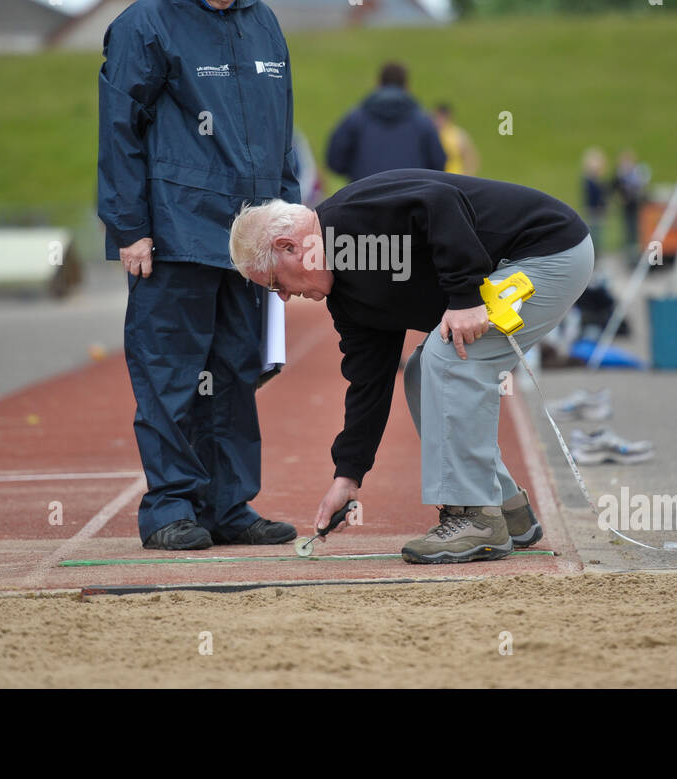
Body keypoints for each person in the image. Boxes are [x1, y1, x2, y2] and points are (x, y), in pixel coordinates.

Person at [228, 169, 595, 564]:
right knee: (421, 371)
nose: (282, 298)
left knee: (449, 357)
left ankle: (475, 516)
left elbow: (440, 201)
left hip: (549, 252)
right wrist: (347, 476)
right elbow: (370, 382)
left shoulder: (349, 223)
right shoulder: (348, 299)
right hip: (520, 262)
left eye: (273, 284)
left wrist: (464, 295)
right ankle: (506, 510)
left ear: (289, 247)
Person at [97, 0, 301, 550]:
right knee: (171, 375)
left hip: (251, 242)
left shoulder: (264, 22)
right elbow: (119, 133)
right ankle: (171, 508)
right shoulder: (144, 25)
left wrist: (290, 220)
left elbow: (281, 129)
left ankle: (229, 504)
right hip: (175, 235)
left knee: (236, 374)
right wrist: (129, 226)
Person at [326, 62, 445, 182]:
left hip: (365, 195)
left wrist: (357, 173)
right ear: (407, 86)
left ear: (378, 83)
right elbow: (439, 163)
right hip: (410, 196)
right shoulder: (423, 122)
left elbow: (335, 161)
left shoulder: (355, 118)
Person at [432, 103, 480, 175]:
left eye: (440, 117)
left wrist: (466, 176)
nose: (437, 120)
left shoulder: (457, 135)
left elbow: (471, 159)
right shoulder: (431, 134)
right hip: (436, 178)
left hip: (454, 179)